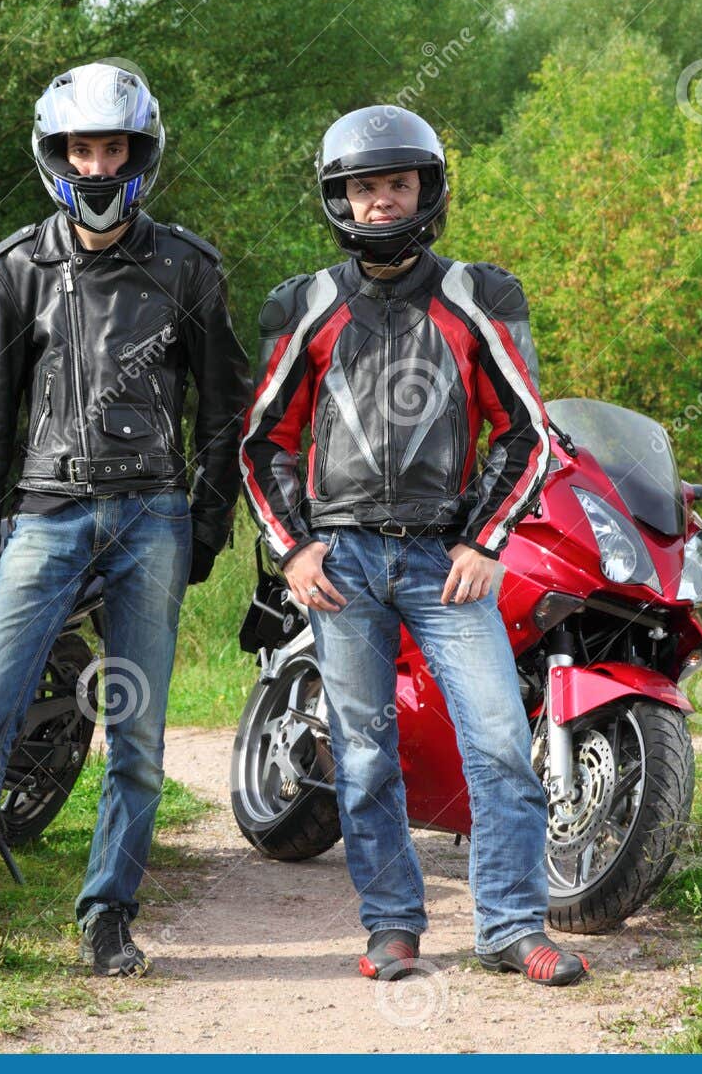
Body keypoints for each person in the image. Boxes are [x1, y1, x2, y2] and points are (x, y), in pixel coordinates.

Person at [0, 61, 250, 978]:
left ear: (139, 153)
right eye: (81, 146)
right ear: (56, 153)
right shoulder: (13, 270)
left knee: (138, 733)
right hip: (42, 517)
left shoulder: (188, 267)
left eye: (111, 145)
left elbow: (226, 405)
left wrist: (207, 518)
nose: (95, 163)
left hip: (152, 516)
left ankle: (109, 914)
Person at [239, 105, 589, 986]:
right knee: (361, 753)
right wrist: (293, 548)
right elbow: (261, 442)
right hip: (341, 564)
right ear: (340, 200)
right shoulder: (304, 302)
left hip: (447, 562)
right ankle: (391, 923)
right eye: (364, 188)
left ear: (427, 190)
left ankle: (511, 926)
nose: (381, 202)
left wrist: (483, 538)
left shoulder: (482, 294)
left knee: (503, 743)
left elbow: (528, 433)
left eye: (397, 185)